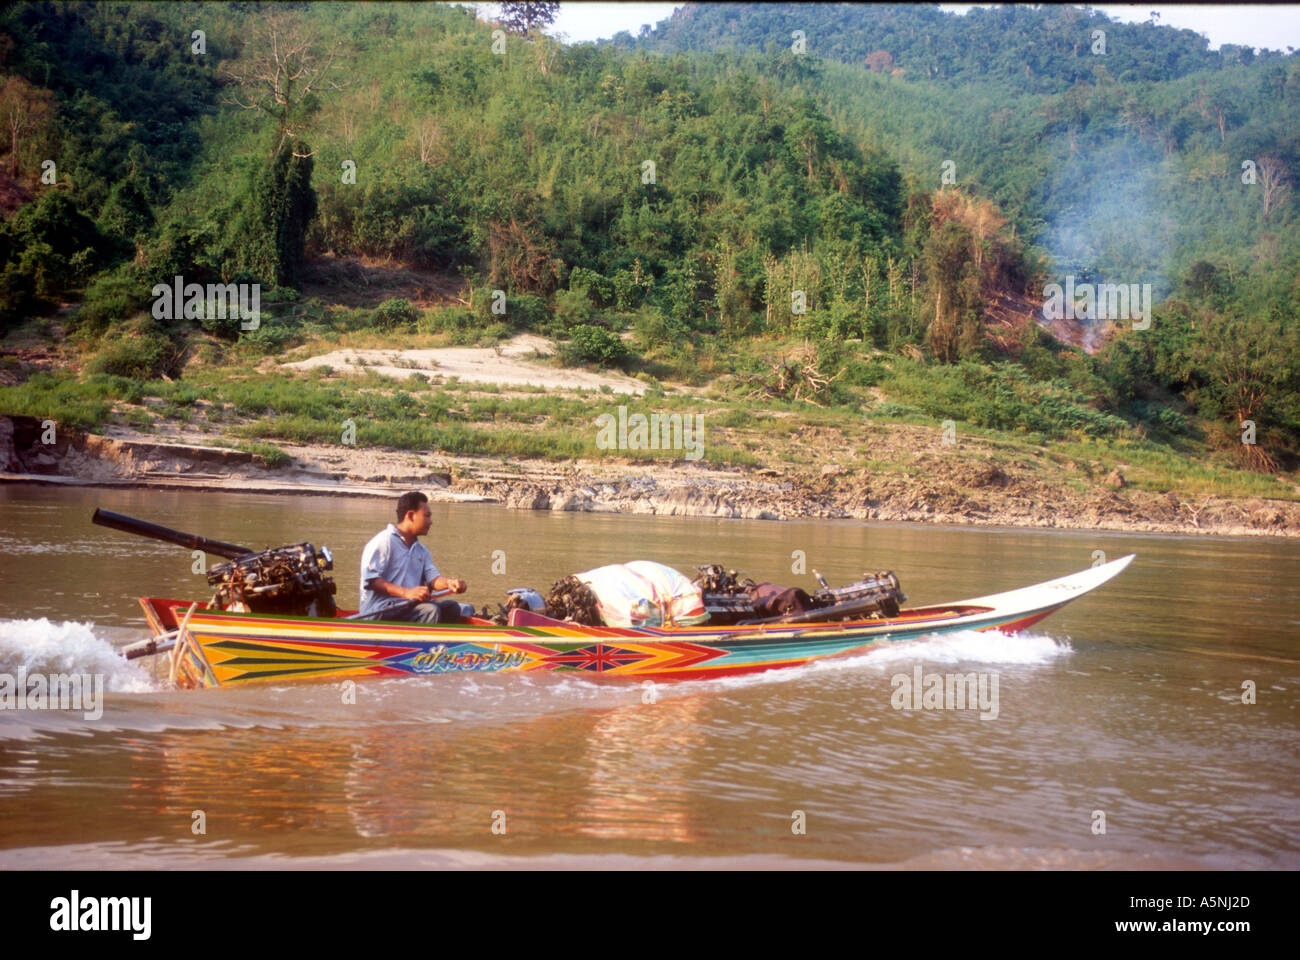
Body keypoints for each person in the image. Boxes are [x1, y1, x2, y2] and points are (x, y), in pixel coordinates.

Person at [358, 491, 467, 622]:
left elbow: (433, 579)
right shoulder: (383, 541)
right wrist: (407, 592)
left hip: (406, 607)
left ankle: (444, 641)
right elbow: (372, 581)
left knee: (452, 607)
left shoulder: (422, 550)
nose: (430, 522)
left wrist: (449, 583)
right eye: (426, 516)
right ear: (410, 515)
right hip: (380, 611)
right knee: (430, 611)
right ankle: (428, 642)